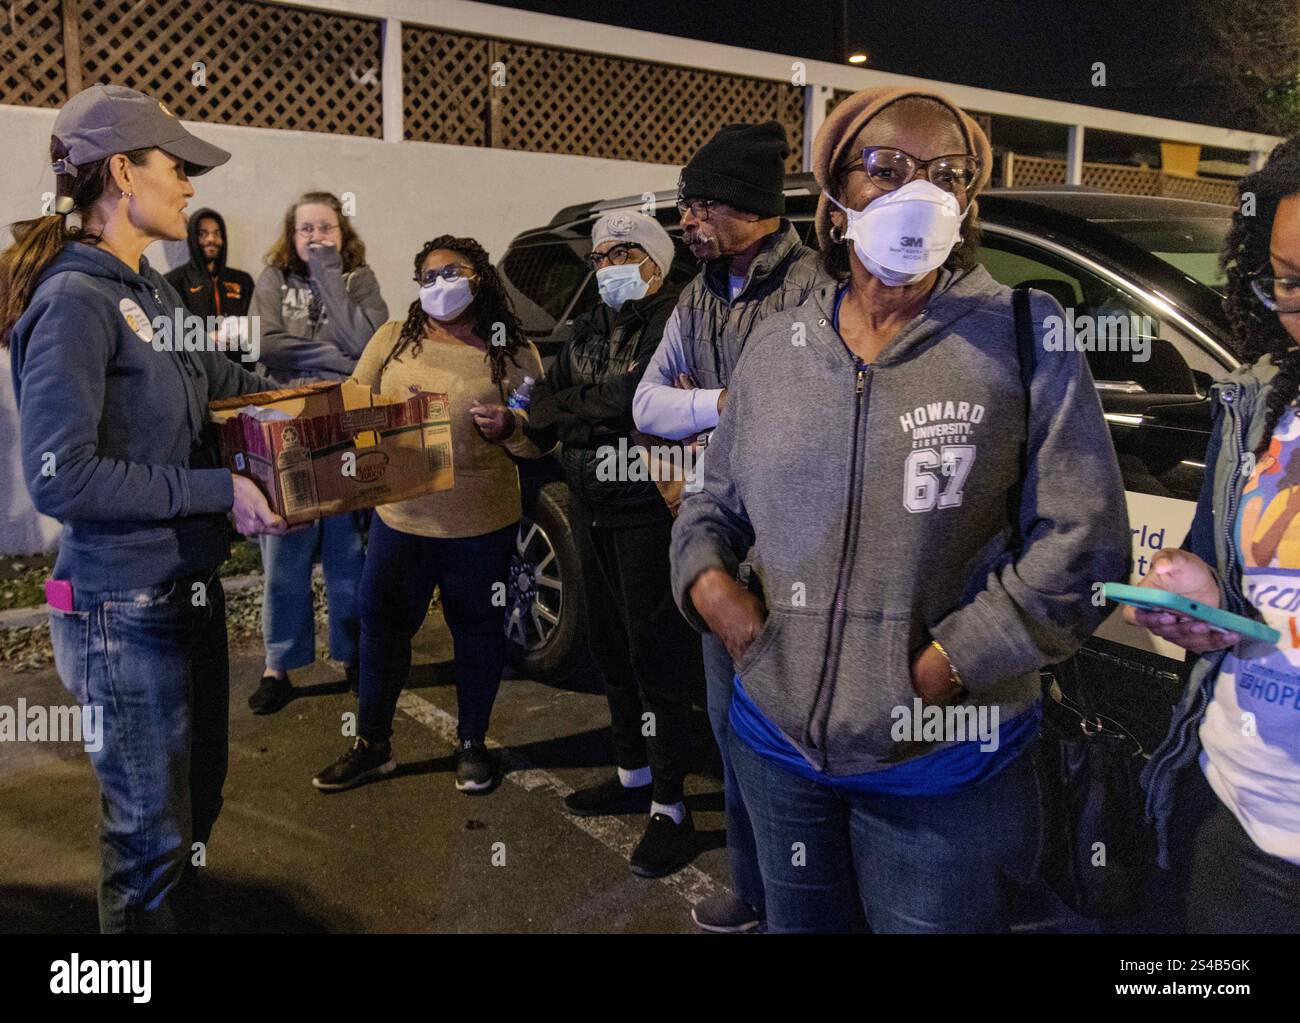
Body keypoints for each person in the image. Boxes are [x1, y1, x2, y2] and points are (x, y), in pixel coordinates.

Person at [669, 87, 1130, 933]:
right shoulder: (778, 342)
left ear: (967, 206)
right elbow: (714, 498)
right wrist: (713, 593)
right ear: (834, 207)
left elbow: (1084, 544)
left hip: (945, 772)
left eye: (946, 174)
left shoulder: (1025, 333)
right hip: (778, 751)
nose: (919, 191)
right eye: (885, 169)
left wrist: (940, 667)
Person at [1, 84, 287, 932]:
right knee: (148, 845)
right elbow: (62, 477)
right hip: (119, 613)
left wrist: (340, 409)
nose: (191, 187)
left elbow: (228, 385)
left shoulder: (154, 295)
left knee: (191, 816)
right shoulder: (73, 301)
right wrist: (217, 489)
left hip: (183, 593)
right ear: (123, 173)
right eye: (177, 167)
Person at [633, 121, 830, 930]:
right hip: (720, 542)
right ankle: (753, 890)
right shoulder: (696, 295)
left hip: (801, 545)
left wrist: (709, 415)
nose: (687, 221)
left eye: (701, 204)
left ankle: (808, 900)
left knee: (802, 731)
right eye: (685, 204)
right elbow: (645, 405)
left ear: (751, 207)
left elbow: (812, 414)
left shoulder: (815, 289)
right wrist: (721, 404)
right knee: (732, 726)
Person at [1128, 136, 1300, 934]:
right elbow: (1238, 591)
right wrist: (1202, 606)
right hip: (1241, 816)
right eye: (1290, 284)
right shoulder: (1259, 404)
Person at [312, 235, 548, 794]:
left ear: (480, 277)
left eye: (453, 272)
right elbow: (354, 395)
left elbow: (539, 437)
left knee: (476, 631)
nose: (440, 285)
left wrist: (511, 428)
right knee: (383, 628)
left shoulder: (510, 351)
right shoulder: (394, 337)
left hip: (479, 524)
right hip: (401, 520)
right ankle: (373, 744)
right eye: (428, 276)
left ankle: (472, 745)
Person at [525, 211, 699, 877]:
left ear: (655, 262)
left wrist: (576, 403)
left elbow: (635, 400)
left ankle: (669, 803)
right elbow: (546, 399)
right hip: (591, 505)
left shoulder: (673, 321)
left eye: (623, 252)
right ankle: (630, 770)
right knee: (611, 649)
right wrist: (577, 404)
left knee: (658, 657)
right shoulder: (592, 324)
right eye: (600, 256)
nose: (608, 266)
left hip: (646, 509)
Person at [246, 192, 388, 713]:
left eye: (325, 229)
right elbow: (265, 345)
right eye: (305, 229)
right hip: (284, 428)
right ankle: (277, 665)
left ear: (341, 233)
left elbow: (371, 341)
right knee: (284, 554)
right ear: (291, 233)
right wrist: (338, 358)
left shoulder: (358, 279)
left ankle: (352, 654)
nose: (314, 238)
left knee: (346, 555)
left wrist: (328, 271)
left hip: (342, 427)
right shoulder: (272, 279)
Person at [164, 207, 255, 352]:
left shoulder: (243, 281)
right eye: (203, 234)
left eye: (216, 233)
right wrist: (205, 340)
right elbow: (168, 336)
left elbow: (256, 330)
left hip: (240, 368)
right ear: (193, 238)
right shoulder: (173, 282)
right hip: (198, 369)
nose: (211, 239)